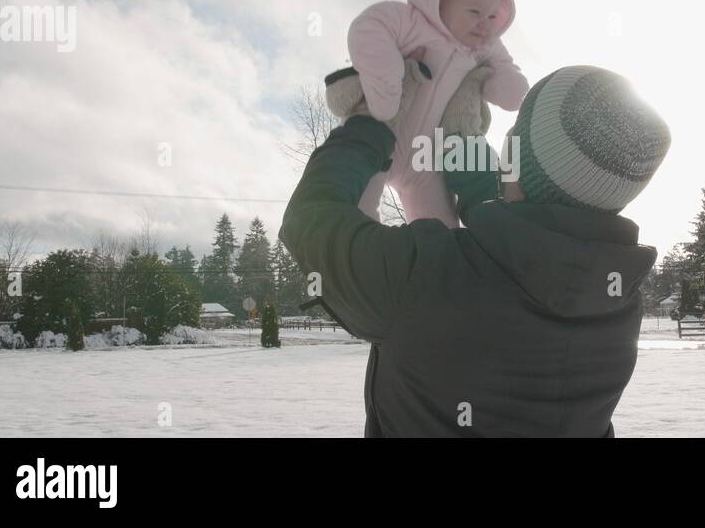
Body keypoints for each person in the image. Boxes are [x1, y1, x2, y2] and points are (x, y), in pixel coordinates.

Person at [280, 64, 671, 437]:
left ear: (515, 155)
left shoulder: (423, 278)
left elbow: (312, 219)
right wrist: (461, 137)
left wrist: (370, 122)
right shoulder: (615, 299)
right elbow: (519, 231)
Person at [334, 0, 529, 229]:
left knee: (443, 231)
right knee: (356, 217)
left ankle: (432, 271)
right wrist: (385, 79)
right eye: (474, 12)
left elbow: (508, 77)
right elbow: (367, 27)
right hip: (380, 136)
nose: (484, 24)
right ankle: (364, 267)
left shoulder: (482, 48)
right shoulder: (410, 22)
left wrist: (507, 85)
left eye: (492, 16)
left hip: (427, 158)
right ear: (439, 0)